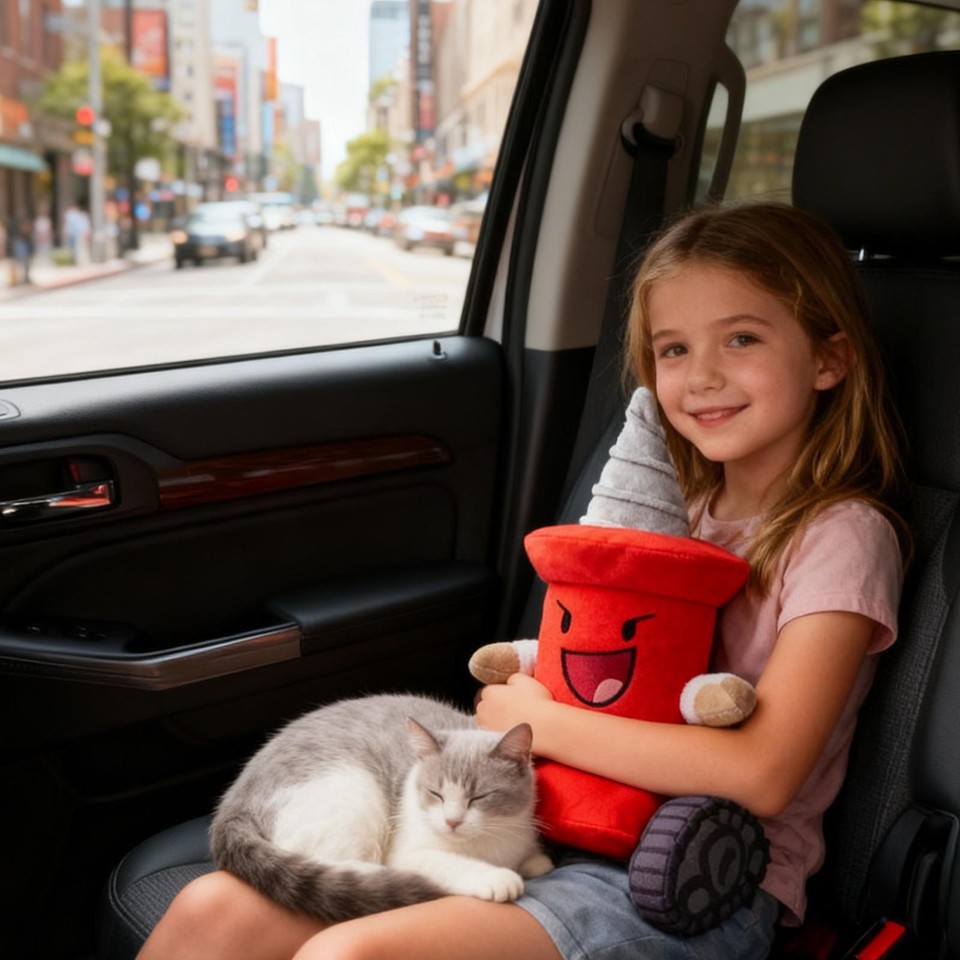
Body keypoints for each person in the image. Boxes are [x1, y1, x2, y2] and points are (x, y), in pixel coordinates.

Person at [134, 201, 909, 960]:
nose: (701, 375)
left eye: (740, 338)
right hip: (556, 820)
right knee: (213, 911)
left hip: (696, 879)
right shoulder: (669, 509)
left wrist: (538, 720)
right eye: (672, 350)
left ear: (828, 359)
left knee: (353, 952)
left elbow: (764, 775)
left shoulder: (841, 537)